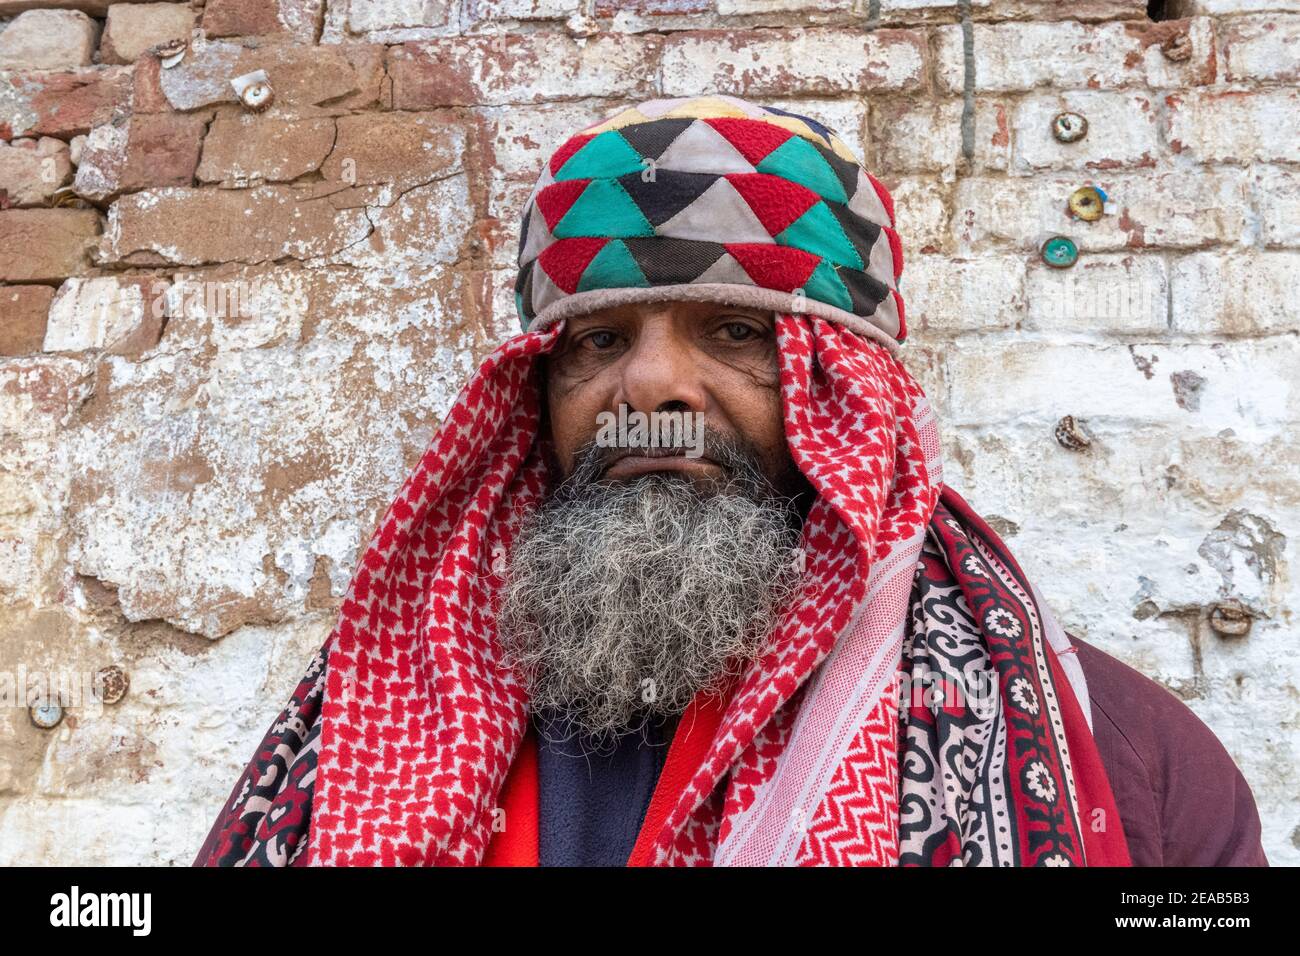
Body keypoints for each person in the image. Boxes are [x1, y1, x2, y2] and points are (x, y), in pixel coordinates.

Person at [193, 94, 1266, 867]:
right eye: (598, 338)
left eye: (735, 330)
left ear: (846, 394)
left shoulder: (1132, 762)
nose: (651, 381)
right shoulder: (364, 732)